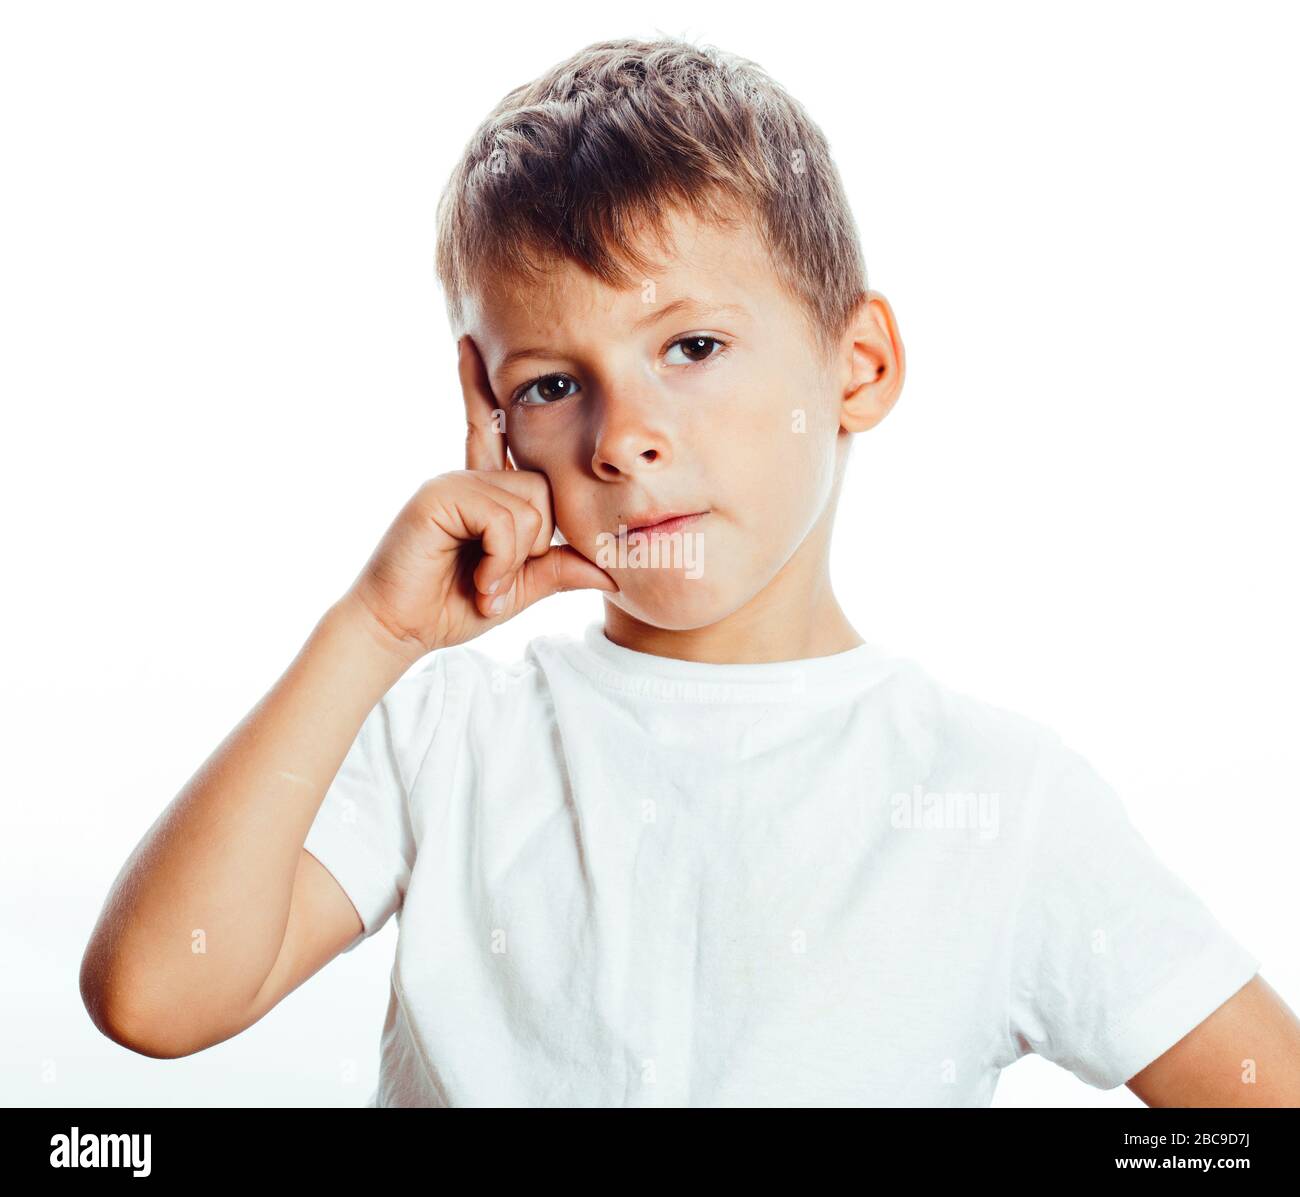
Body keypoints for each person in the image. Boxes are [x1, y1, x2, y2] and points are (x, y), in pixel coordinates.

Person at [80, 34, 1300, 1107]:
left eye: (693, 346)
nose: (621, 437)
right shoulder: (450, 742)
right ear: (493, 422)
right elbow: (154, 998)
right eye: (551, 385)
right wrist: (371, 634)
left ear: (858, 366)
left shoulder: (1001, 800)